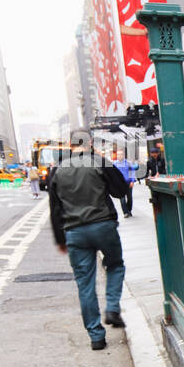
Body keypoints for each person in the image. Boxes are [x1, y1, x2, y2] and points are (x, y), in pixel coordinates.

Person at [48, 145, 129, 350]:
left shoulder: (57, 169)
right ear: (90, 142)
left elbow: (55, 208)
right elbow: (120, 190)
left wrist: (60, 239)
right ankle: (112, 308)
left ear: (70, 146)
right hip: (103, 225)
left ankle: (96, 337)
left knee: (85, 284)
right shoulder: (98, 161)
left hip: (74, 231)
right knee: (115, 266)